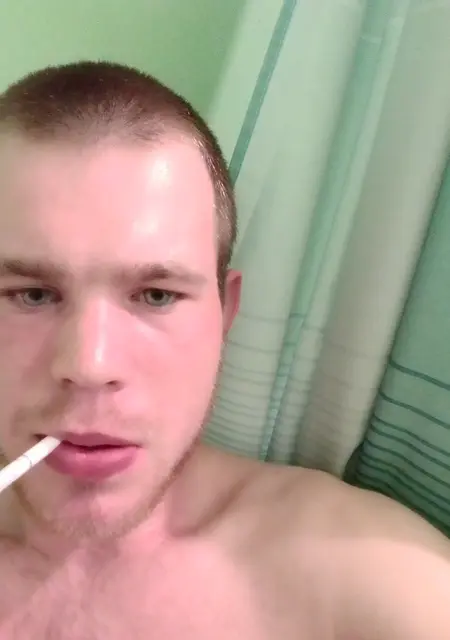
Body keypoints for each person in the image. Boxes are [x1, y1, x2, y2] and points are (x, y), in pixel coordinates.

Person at [0, 60, 448, 640]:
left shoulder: (366, 578)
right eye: (32, 294)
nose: (90, 366)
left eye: (156, 295)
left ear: (225, 315)